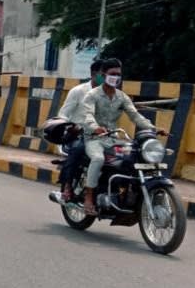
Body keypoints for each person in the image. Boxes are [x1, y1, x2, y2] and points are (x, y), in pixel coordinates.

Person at [80, 58, 167, 215]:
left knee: (132, 158)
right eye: (112, 74)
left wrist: (153, 128)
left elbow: (135, 116)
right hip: (94, 139)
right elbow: (87, 115)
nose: (116, 77)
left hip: (113, 139)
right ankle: (89, 196)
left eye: (118, 74)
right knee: (98, 159)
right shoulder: (92, 95)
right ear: (103, 74)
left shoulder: (122, 97)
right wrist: (95, 128)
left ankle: (124, 193)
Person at [52, 59, 104, 202]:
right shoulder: (78, 91)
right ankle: (67, 186)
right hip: (79, 135)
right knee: (78, 149)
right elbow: (63, 114)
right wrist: (73, 126)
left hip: (102, 136)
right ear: (94, 74)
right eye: (103, 74)